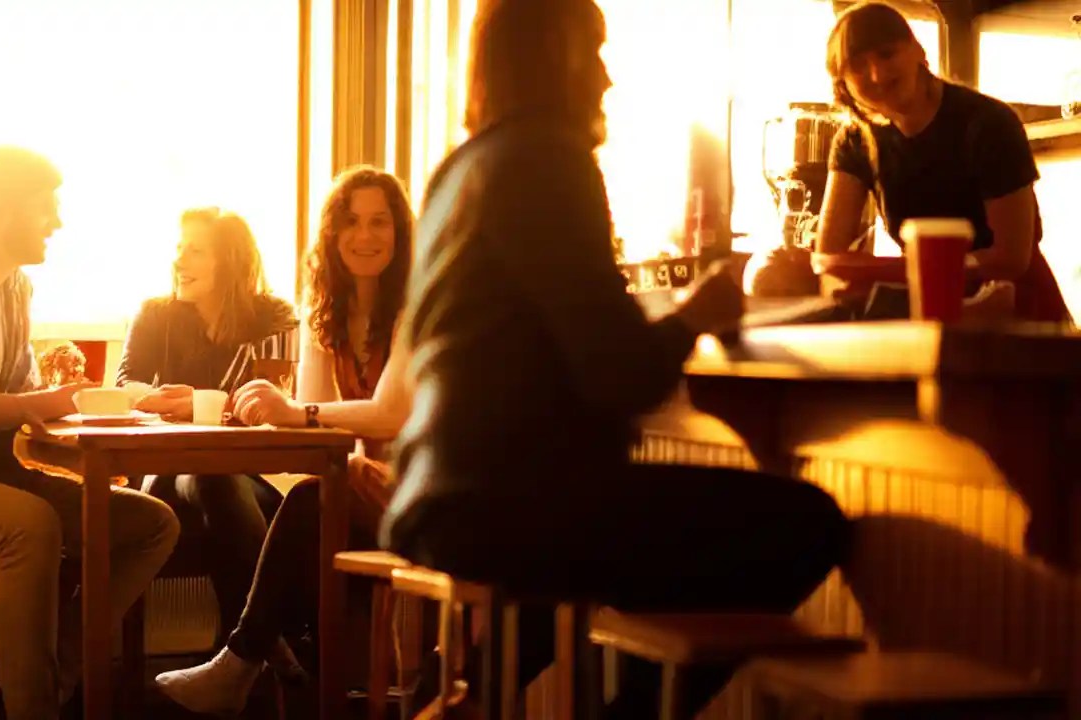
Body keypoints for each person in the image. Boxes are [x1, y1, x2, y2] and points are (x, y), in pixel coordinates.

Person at [378, 0, 851, 714]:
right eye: (593, 54)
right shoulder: (549, 158)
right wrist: (693, 314)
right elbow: (621, 375)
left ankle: (474, 693)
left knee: (584, 555)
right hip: (507, 502)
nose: (605, 78)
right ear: (556, 58)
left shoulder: (459, 170)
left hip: (438, 495)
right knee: (808, 523)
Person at [0, 146, 180, 720]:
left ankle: (54, 674)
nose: (58, 223)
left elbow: (20, 393)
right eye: (46, 209)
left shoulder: (16, 287)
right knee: (30, 525)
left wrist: (111, 410)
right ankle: (29, 708)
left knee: (151, 522)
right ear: (1, 211)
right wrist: (43, 401)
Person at [152, 165, 415, 715]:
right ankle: (293, 674)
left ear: (400, 233)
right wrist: (286, 414)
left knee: (308, 501)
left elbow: (389, 415)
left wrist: (296, 412)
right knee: (309, 501)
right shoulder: (325, 314)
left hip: (421, 488)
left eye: (379, 223)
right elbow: (310, 434)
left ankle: (243, 661)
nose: (365, 237)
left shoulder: (416, 308)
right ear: (331, 235)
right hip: (361, 485)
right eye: (351, 223)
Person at [816, 0, 1069, 322]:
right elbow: (829, 256)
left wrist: (904, 270)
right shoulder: (855, 141)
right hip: (928, 306)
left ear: (918, 52)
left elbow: (1012, 258)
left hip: (1015, 312)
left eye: (887, 54)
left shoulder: (989, 123)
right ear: (843, 82)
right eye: (858, 66)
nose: (876, 75)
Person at [116, 208, 297, 647]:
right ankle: (264, 652)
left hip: (242, 478)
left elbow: (265, 404)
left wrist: (191, 402)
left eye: (195, 250)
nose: (179, 260)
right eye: (179, 248)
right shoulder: (154, 315)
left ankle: (239, 657)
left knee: (218, 481)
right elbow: (125, 387)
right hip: (162, 473)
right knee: (211, 478)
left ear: (230, 260)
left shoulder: (274, 319)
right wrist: (204, 402)